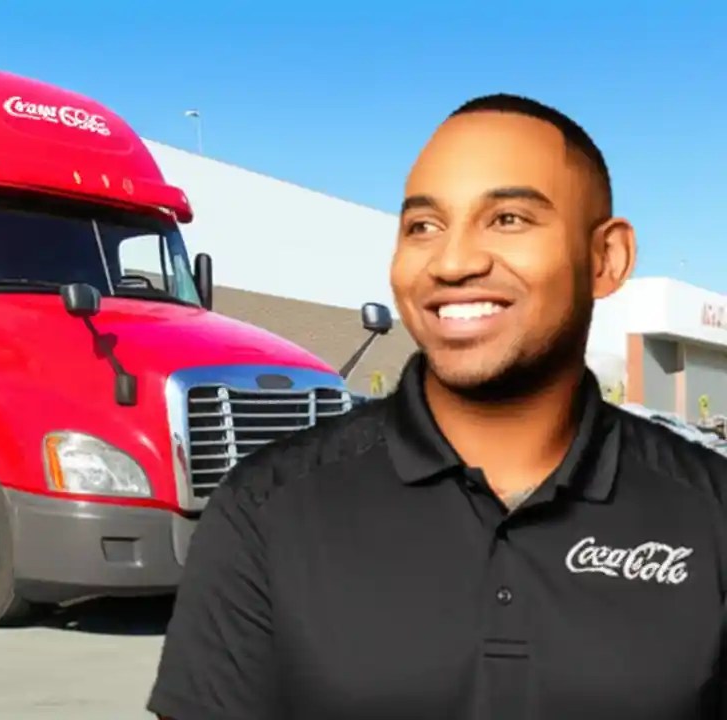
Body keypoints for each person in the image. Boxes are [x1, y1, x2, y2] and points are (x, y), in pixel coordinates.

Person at [147, 93, 727, 719]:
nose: (453, 262)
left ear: (606, 259)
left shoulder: (712, 513)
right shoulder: (265, 511)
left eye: (507, 218)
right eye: (423, 227)